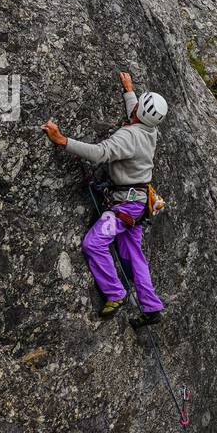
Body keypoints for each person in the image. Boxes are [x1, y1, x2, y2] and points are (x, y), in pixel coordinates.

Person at [41, 72, 167, 326]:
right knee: (133, 253)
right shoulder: (149, 131)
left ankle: (115, 292)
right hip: (138, 204)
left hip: (124, 206)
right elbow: (137, 114)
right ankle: (151, 306)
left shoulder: (128, 137)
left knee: (94, 243)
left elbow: (99, 153)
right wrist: (128, 90)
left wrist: (63, 141)